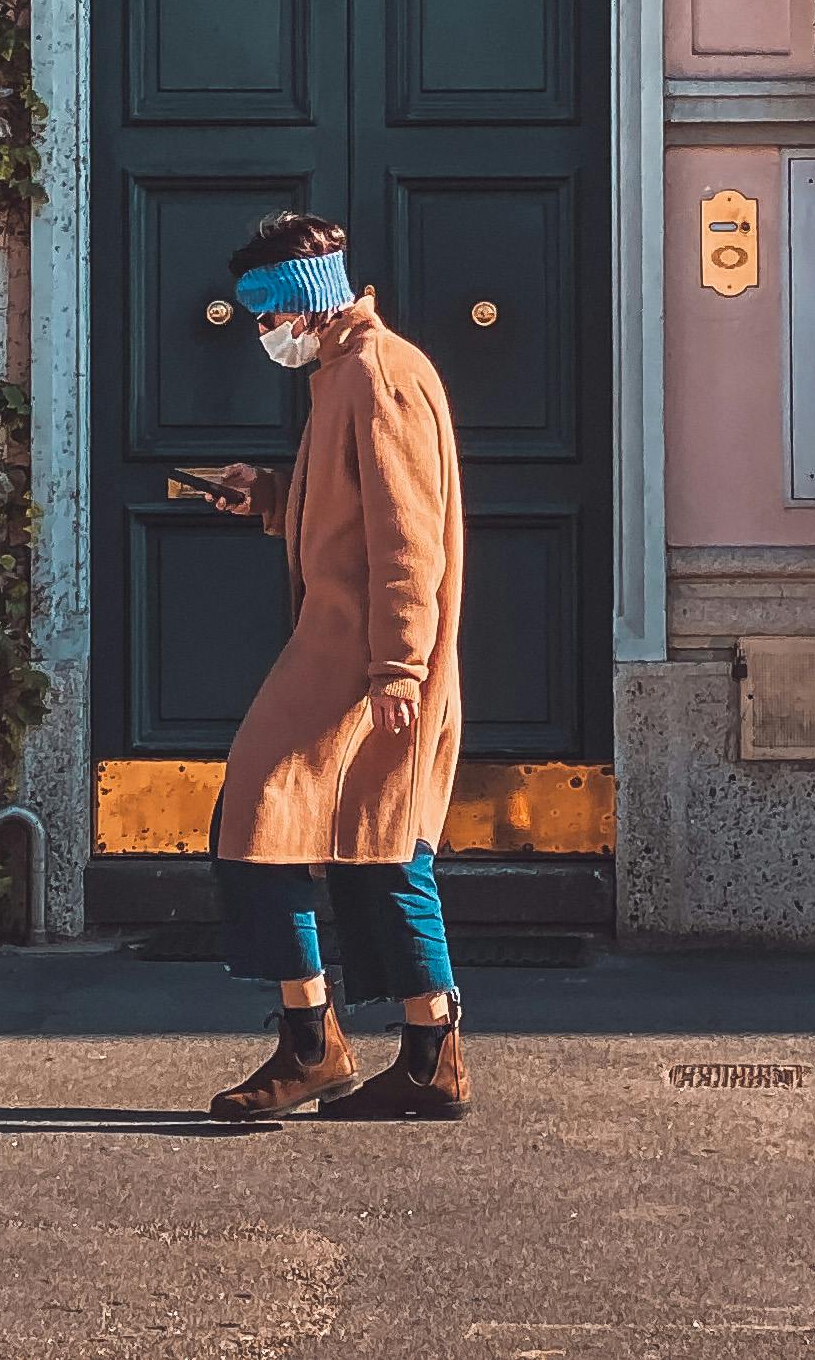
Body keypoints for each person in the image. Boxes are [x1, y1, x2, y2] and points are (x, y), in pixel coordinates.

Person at [181, 210, 471, 1123]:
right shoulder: (348, 372)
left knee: (299, 827)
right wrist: (268, 498)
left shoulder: (377, 377)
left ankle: (333, 1046)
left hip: (364, 660)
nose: (261, 335)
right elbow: (351, 514)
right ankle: (404, 1052)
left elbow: (406, 538)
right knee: (359, 845)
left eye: (264, 318)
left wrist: (398, 669)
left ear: (299, 310)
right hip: (351, 653)